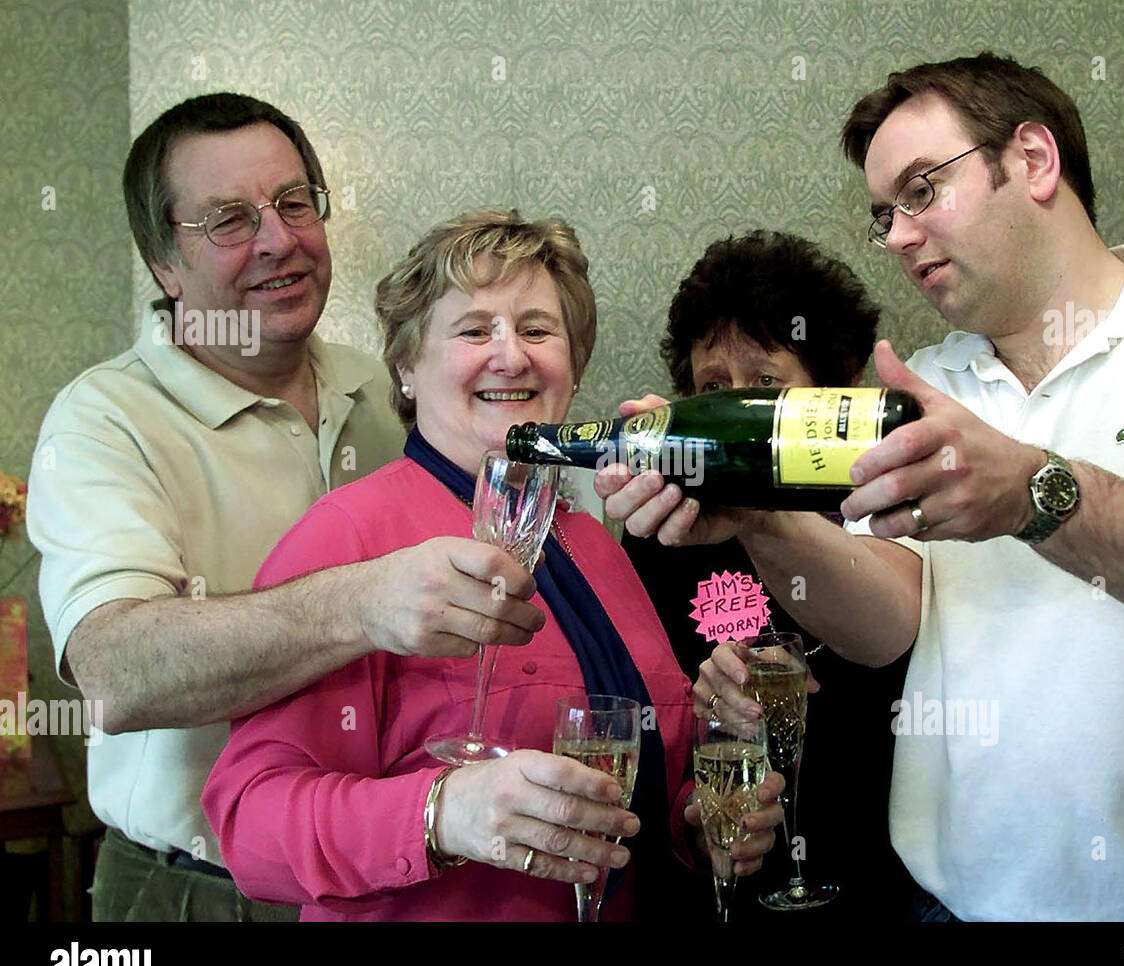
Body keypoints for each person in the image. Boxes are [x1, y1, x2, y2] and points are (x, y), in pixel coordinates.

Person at [597, 53, 1124, 921]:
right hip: (948, 906)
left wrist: (1038, 495)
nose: (896, 234)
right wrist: (760, 518)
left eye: (921, 190)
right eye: (884, 215)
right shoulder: (923, 388)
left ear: (1034, 160)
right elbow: (891, 625)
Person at [25, 94, 541, 921]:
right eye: (229, 220)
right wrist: (365, 602)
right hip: (201, 893)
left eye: (295, 202)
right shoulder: (103, 421)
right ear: (163, 264)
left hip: (401, 876)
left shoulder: (388, 386)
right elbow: (114, 674)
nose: (279, 240)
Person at [201, 209, 785, 921]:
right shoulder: (347, 535)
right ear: (407, 368)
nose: (511, 357)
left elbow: (633, 783)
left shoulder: (597, 541)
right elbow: (251, 828)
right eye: (475, 330)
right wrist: (443, 813)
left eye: (538, 330)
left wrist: (701, 827)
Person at [619, 230, 913, 920]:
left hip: (881, 884)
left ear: (829, 391)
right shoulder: (665, 532)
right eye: (713, 388)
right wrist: (703, 707)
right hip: (722, 889)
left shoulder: (888, 518)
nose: (737, 412)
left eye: (766, 383)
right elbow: (642, 729)